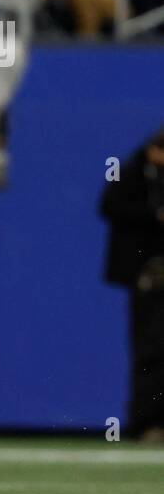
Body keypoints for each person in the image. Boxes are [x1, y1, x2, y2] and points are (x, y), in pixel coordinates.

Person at [100, 127, 164, 441]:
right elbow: (108, 206)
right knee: (149, 351)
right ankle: (146, 424)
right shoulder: (133, 172)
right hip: (146, 279)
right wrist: (154, 215)